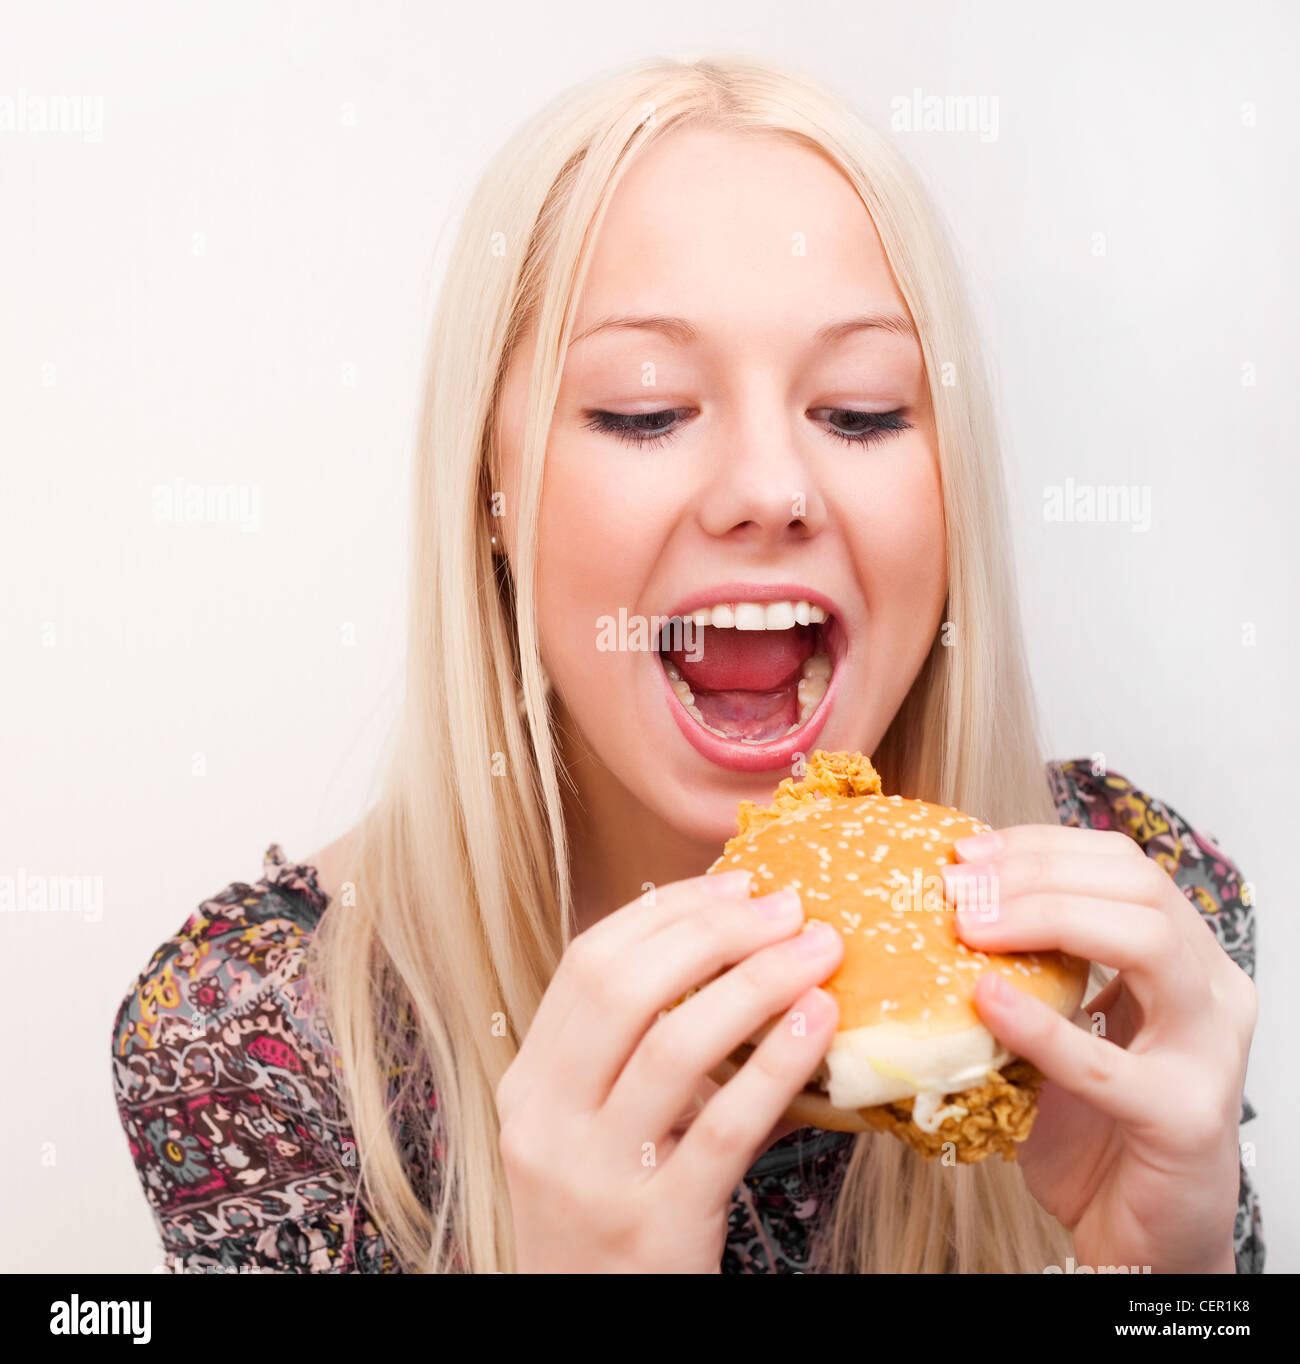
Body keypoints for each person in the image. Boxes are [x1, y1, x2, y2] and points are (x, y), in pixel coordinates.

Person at [110, 53, 1262, 1274]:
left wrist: (1165, 1282)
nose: (769, 486)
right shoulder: (257, 1036)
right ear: (491, 491)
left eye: (861, 410)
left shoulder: (1125, 936)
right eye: (645, 410)